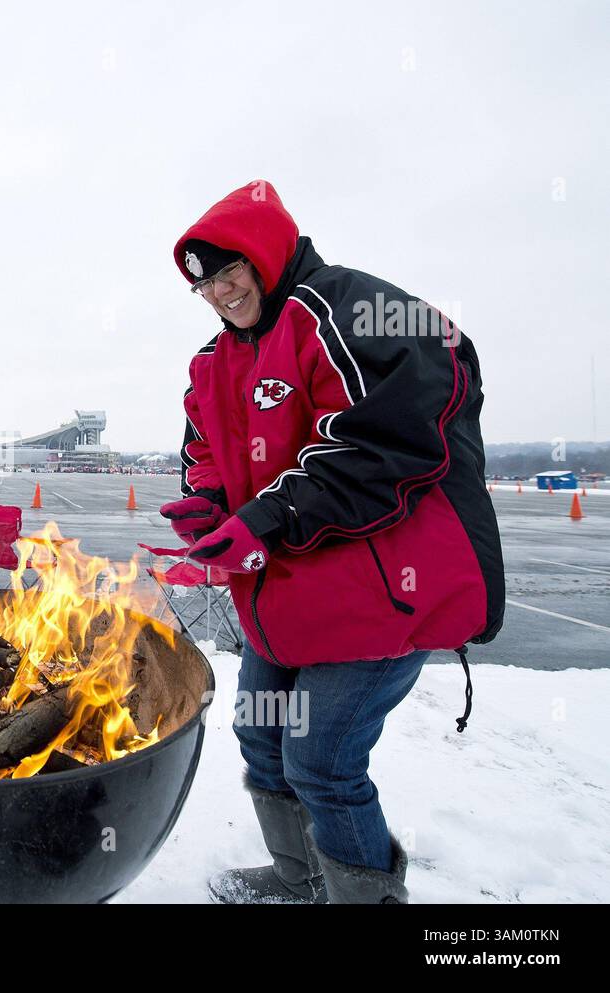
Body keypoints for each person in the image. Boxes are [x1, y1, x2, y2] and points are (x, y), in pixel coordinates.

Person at [163, 180, 504, 904]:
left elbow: (379, 441)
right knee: (262, 739)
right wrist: (210, 508)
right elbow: (207, 456)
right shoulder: (213, 361)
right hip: (283, 601)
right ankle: (299, 881)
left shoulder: (341, 310)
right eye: (206, 287)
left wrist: (266, 517)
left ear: (262, 257)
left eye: (230, 274)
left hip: (379, 597)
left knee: (322, 761)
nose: (220, 294)